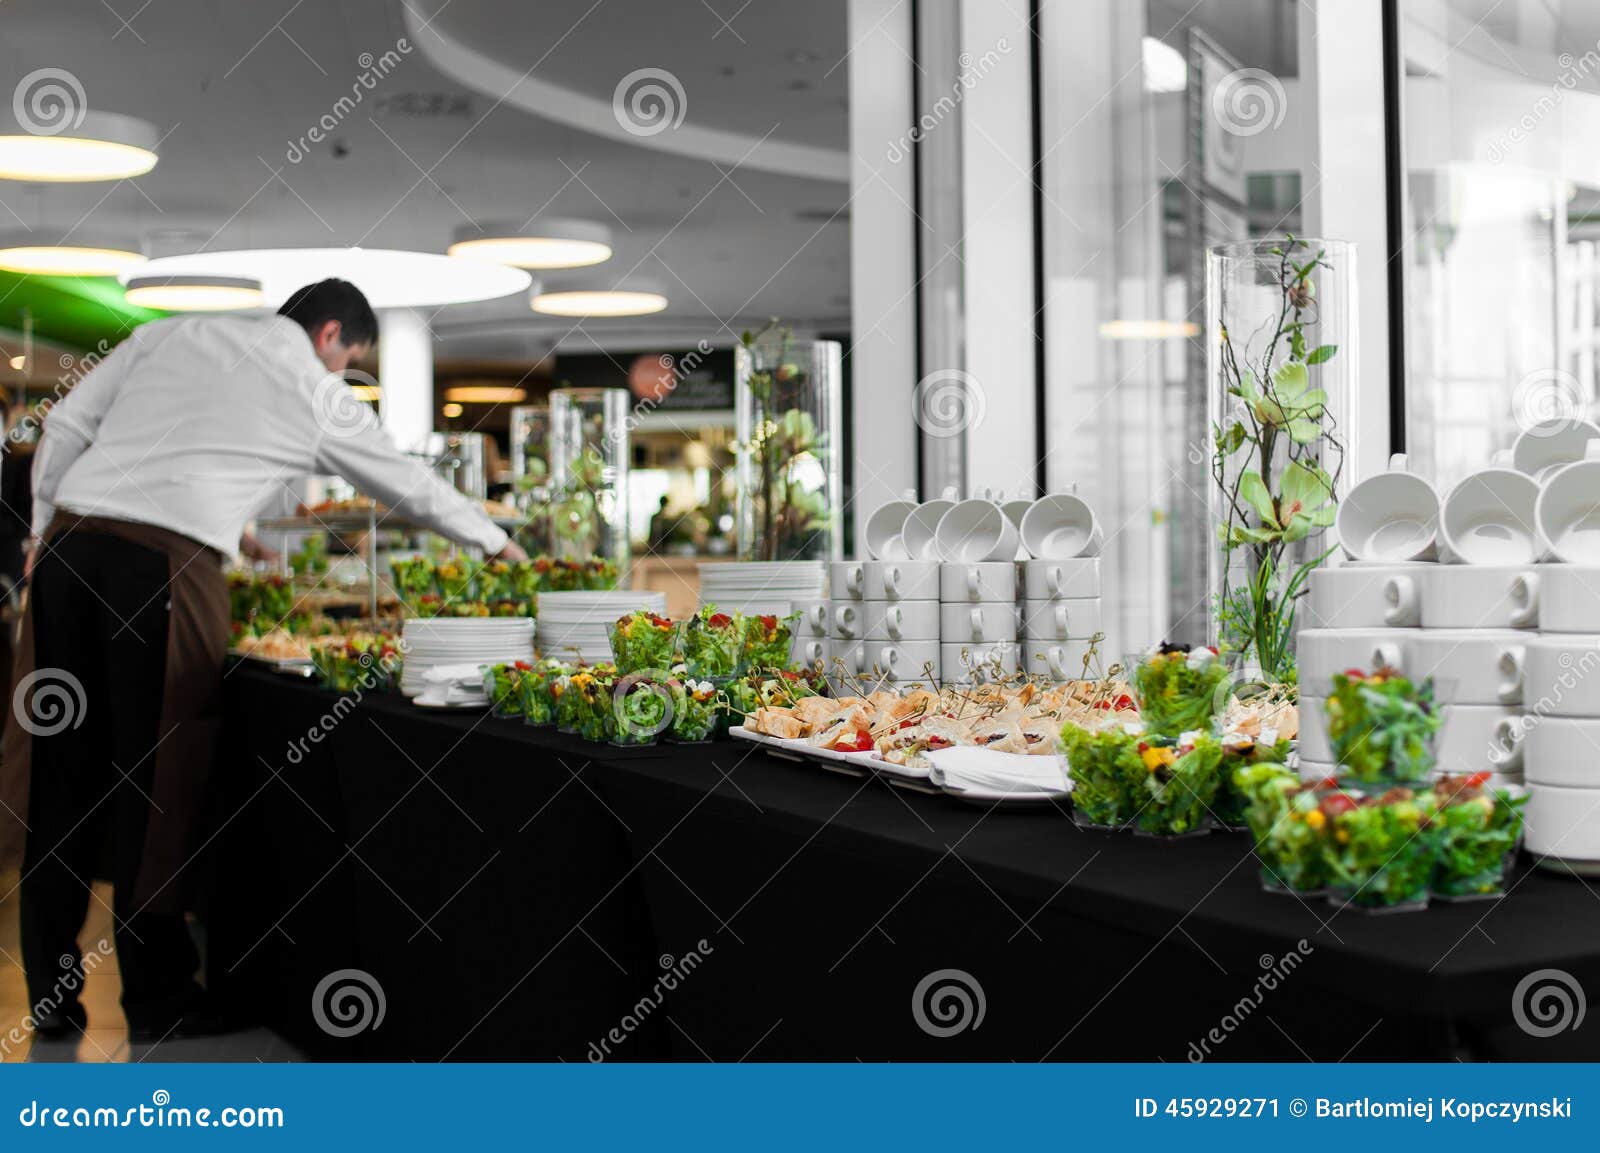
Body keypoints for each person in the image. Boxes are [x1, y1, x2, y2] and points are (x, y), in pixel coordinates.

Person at [1, 279, 526, 1044]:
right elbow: (403, 481)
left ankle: (49, 997)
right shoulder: (312, 387)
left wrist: (47, 529)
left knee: (59, 769)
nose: (344, 375)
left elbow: (72, 423)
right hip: (162, 573)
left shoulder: (174, 333)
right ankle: (157, 999)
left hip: (70, 551)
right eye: (349, 361)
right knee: (158, 779)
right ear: (331, 335)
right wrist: (494, 541)